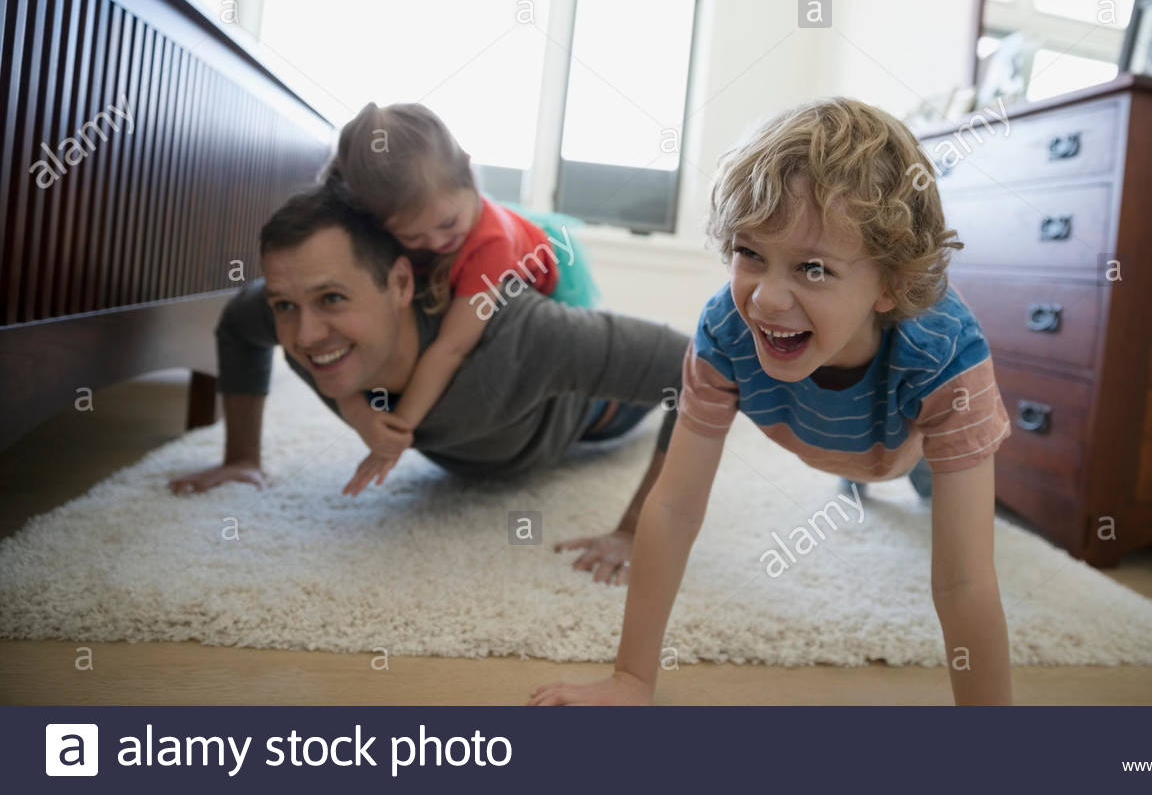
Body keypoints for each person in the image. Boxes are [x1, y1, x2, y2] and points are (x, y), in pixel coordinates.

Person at [530, 97, 1014, 704]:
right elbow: (675, 506)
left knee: (933, 503)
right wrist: (631, 679)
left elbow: (964, 580)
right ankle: (853, 483)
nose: (765, 299)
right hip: (820, 433)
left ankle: (870, 483)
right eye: (750, 253)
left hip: (901, 441)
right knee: (853, 475)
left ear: (890, 284)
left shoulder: (946, 359)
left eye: (812, 268)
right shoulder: (725, 331)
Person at [168, 181, 688, 586]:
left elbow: (691, 369)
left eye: (332, 299)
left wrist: (635, 530)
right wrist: (241, 457)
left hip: (591, 415)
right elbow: (239, 321)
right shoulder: (290, 311)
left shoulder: (521, 333)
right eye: (286, 306)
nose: (304, 335)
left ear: (400, 283)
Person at [321, 102, 602, 490]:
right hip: (466, 269)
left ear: (469, 173)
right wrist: (356, 410)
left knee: (545, 363)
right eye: (414, 238)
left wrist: (397, 432)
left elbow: (451, 348)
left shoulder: (492, 243)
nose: (435, 243)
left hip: (536, 281)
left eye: (447, 224)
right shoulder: (414, 223)